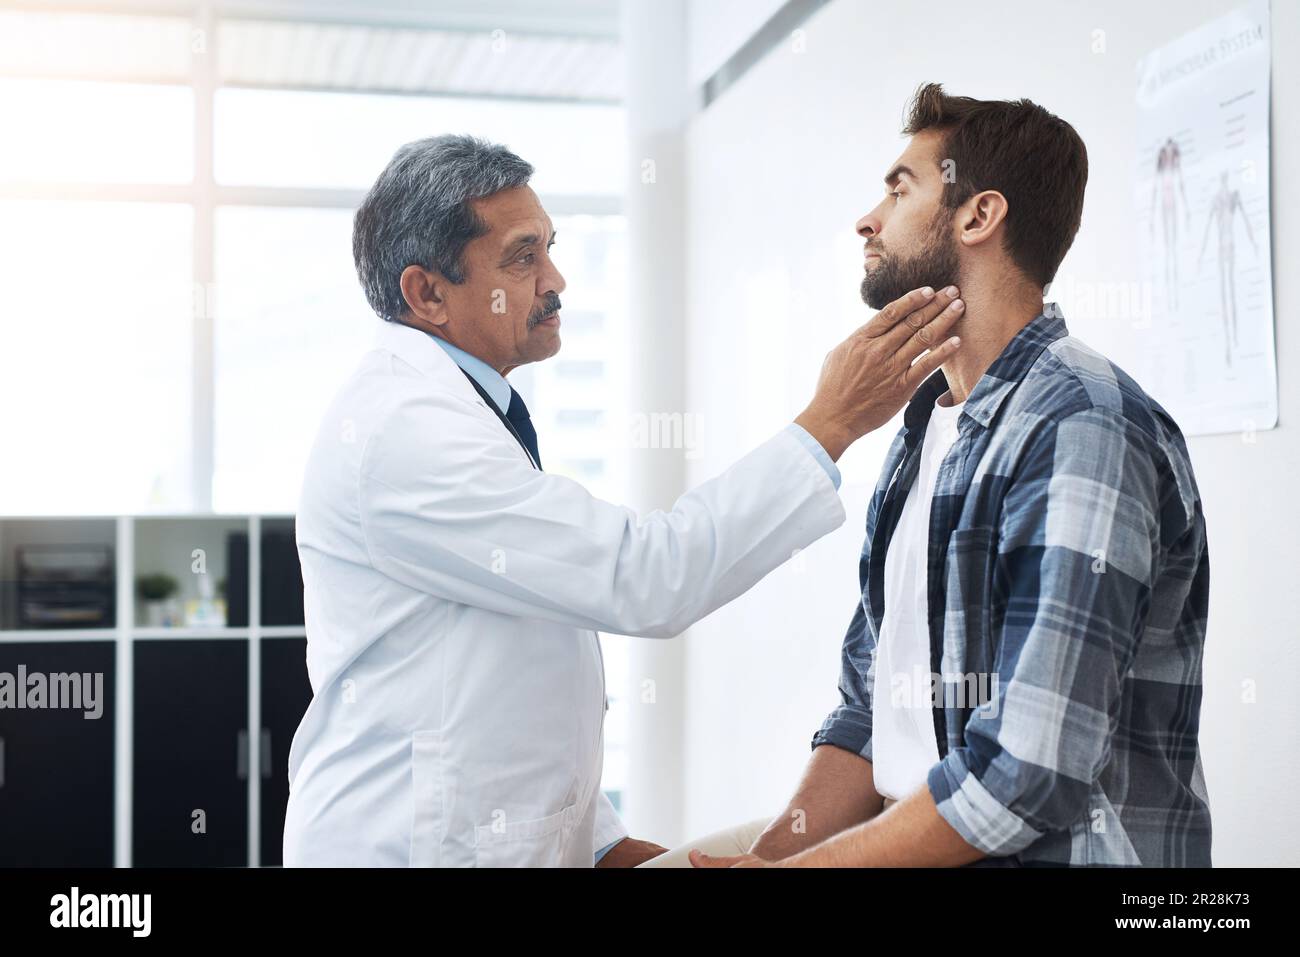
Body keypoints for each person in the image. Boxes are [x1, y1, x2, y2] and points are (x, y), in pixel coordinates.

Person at [282, 134, 965, 867]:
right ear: (426, 293)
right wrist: (831, 421)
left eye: (549, 247)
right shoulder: (403, 430)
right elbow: (644, 576)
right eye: (523, 257)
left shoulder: (461, 411)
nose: (557, 279)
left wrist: (605, 845)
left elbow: (509, 687)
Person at [665, 83, 1212, 868]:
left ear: (979, 216)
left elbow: (1027, 771)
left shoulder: (1084, 424)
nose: (868, 218)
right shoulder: (926, 423)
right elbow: (867, 710)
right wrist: (770, 857)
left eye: (899, 187)